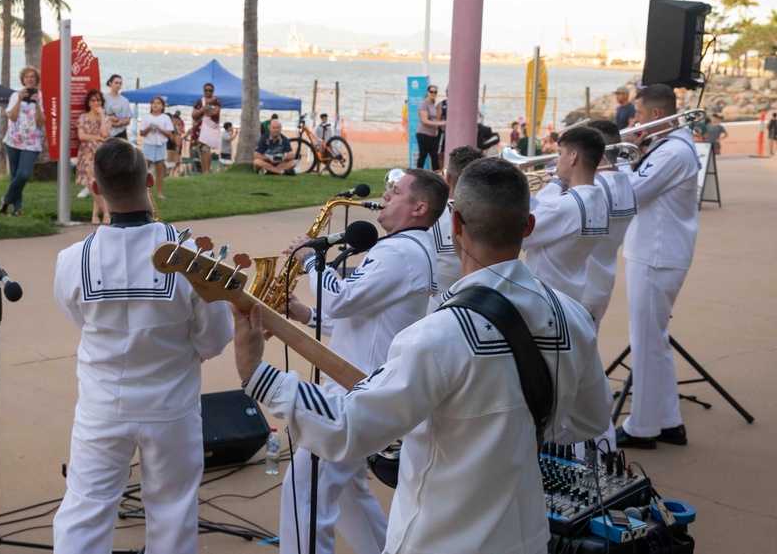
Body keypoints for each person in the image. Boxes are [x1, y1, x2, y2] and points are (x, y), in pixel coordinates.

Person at [232, 157, 612, 554]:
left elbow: (345, 429)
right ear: (528, 227)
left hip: (438, 540)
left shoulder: (436, 336)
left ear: (456, 224)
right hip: (527, 537)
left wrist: (256, 372)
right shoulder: (572, 317)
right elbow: (590, 420)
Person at [52, 139, 233, 554]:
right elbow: (214, 338)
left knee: (86, 508)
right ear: (149, 180)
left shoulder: (71, 259)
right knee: (172, 511)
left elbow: (79, 319)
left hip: (102, 405)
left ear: (95, 188)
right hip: (171, 406)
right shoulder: (190, 255)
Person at [277, 168, 445, 554]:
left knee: (305, 488)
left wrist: (310, 261)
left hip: (356, 394)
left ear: (419, 207)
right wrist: (307, 316)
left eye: (396, 192)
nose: (385, 196)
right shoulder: (410, 250)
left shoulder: (399, 251)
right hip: (366, 390)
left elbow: (340, 299)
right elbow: (363, 316)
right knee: (348, 494)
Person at [614, 83, 699, 450]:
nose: (635, 121)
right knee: (655, 341)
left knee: (646, 343)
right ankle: (668, 420)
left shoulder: (673, 151)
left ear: (656, 115)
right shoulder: (672, 146)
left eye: (639, 114)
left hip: (657, 254)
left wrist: (614, 161)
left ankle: (643, 427)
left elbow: (632, 194)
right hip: (658, 252)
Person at [521, 126, 609, 304]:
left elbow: (520, 236)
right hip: (571, 296)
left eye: (560, 153)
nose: (556, 160)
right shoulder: (600, 200)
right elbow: (547, 213)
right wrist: (556, 182)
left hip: (544, 299)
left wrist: (519, 187)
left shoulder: (564, 206)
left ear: (573, 156)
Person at [581, 120, 637, 330]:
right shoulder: (625, 182)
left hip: (580, 288)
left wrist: (559, 180)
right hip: (601, 283)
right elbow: (619, 166)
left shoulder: (594, 190)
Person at [426, 145, 483, 313]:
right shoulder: (493, 216)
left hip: (434, 315)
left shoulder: (426, 218)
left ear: (448, 178)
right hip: (482, 312)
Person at [0, 66, 45, 216]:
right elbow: (11, 116)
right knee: (15, 175)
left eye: (32, 77)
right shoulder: (14, 96)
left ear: (36, 80)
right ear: (23, 80)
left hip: (31, 142)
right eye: (27, 77)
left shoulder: (41, 96)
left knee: (23, 174)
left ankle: (5, 200)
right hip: (14, 140)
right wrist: (19, 99)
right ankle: (17, 208)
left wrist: (37, 104)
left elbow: (41, 121)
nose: (30, 79)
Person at [76, 89, 110, 224]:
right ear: (88, 103)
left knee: (99, 183)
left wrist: (102, 115)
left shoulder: (105, 118)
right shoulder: (83, 117)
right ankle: (107, 212)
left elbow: (105, 134)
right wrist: (97, 137)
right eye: (93, 100)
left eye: (98, 100)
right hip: (87, 154)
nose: (96, 103)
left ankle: (95, 215)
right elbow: (81, 136)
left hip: (101, 153)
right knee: (91, 183)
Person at [138, 96, 174, 199]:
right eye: (154, 103)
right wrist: (149, 128)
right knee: (145, 168)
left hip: (160, 145)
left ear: (162, 106)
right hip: (149, 144)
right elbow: (142, 133)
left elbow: (169, 133)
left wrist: (159, 128)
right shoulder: (146, 117)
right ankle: (142, 192)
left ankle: (159, 192)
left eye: (158, 103)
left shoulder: (165, 118)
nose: (155, 105)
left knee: (160, 170)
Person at [190, 83, 221, 174]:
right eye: (206, 90)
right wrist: (202, 110)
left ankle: (207, 170)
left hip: (209, 128)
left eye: (210, 90)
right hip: (198, 129)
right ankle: (204, 170)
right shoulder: (199, 102)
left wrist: (204, 111)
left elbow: (214, 112)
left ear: (213, 91)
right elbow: (194, 115)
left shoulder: (216, 101)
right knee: (200, 149)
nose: (208, 92)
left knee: (206, 149)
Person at [415, 85, 446, 171]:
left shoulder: (433, 104)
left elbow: (435, 119)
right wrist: (440, 123)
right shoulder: (424, 103)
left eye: (435, 92)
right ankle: (418, 175)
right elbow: (424, 121)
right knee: (423, 155)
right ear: (427, 92)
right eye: (431, 91)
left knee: (434, 156)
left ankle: (437, 176)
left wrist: (441, 126)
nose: (433, 93)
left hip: (433, 135)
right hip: (423, 134)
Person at [103, 74, 133, 140]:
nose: (118, 85)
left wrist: (121, 122)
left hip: (121, 133)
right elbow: (100, 117)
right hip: (107, 133)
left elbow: (128, 119)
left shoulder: (125, 100)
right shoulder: (104, 99)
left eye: (120, 83)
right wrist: (111, 120)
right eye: (116, 83)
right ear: (110, 83)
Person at [166, 111, 185, 177]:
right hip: (169, 148)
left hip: (169, 147)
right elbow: (174, 139)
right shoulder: (171, 127)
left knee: (170, 165)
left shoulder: (172, 126)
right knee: (169, 166)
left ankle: (172, 175)